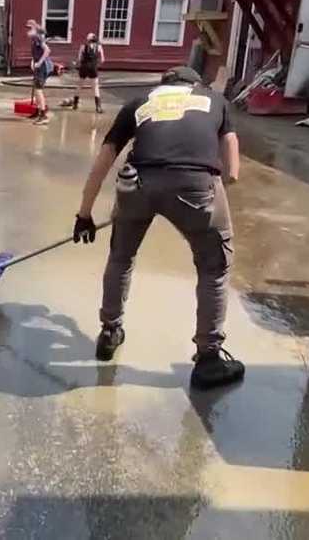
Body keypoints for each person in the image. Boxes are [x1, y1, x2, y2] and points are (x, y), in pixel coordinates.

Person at [73, 66, 243, 390]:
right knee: (214, 270)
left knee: (121, 258)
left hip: (136, 184)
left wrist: (84, 214)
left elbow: (106, 156)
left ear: (163, 84)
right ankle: (208, 358)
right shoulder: (215, 101)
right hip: (197, 186)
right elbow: (232, 168)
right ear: (195, 84)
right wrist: (210, 196)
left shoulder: (139, 101)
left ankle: (110, 331)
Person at [65, 32, 105, 113]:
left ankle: (75, 105)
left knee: (79, 86)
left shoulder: (83, 46)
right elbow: (103, 59)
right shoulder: (99, 47)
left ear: (88, 39)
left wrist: (76, 63)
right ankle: (98, 107)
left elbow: (79, 59)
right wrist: (96, 63)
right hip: (93, 68)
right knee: (95, 88)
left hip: (84, 67)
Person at [26, 19, 52, 125]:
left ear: (34, 28)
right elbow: (37, 53)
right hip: (38, 66)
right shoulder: (33, 39)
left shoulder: (37, 38)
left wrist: (39, 63)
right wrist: (33, 61)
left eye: (29, 28)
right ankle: (38, 111)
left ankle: (43, 115)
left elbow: (47, 50)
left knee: (38, 90)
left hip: (43, 67)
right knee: (36, 89)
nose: (27, 31)